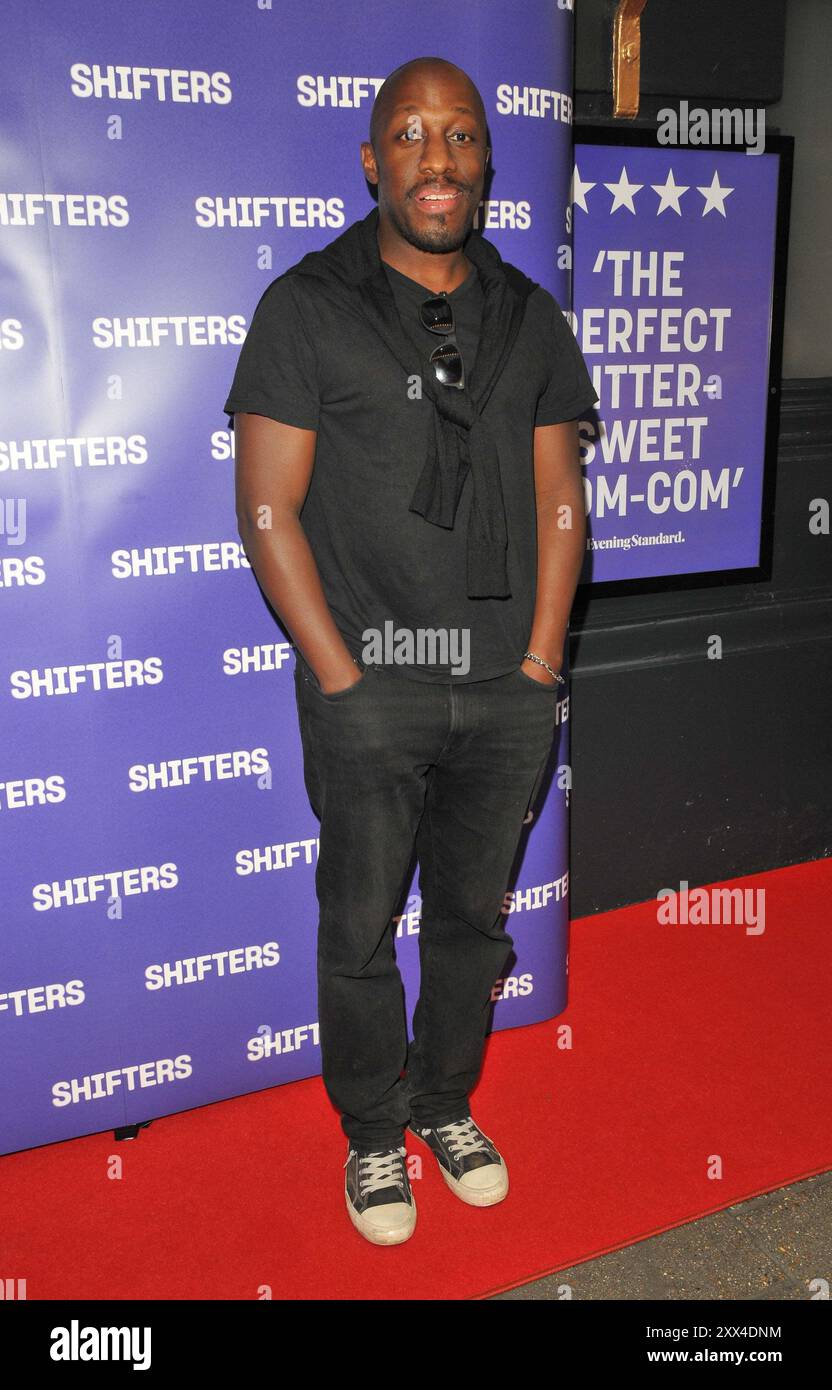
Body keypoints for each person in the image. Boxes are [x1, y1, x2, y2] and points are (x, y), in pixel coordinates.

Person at [223, 55, 598, 1246]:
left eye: (460, 136)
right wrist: (339, 675)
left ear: (484, 161)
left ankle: (444, 1105)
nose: (437, 159)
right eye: (410, 134)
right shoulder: (306, 305)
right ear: (373, 157)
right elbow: (269, 508)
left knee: (472, 926)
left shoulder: (530, 315)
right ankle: (372, 1131)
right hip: (368, 686)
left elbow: (557, 500)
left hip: (503, 690)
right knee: (359, 928)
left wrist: (540, 667)